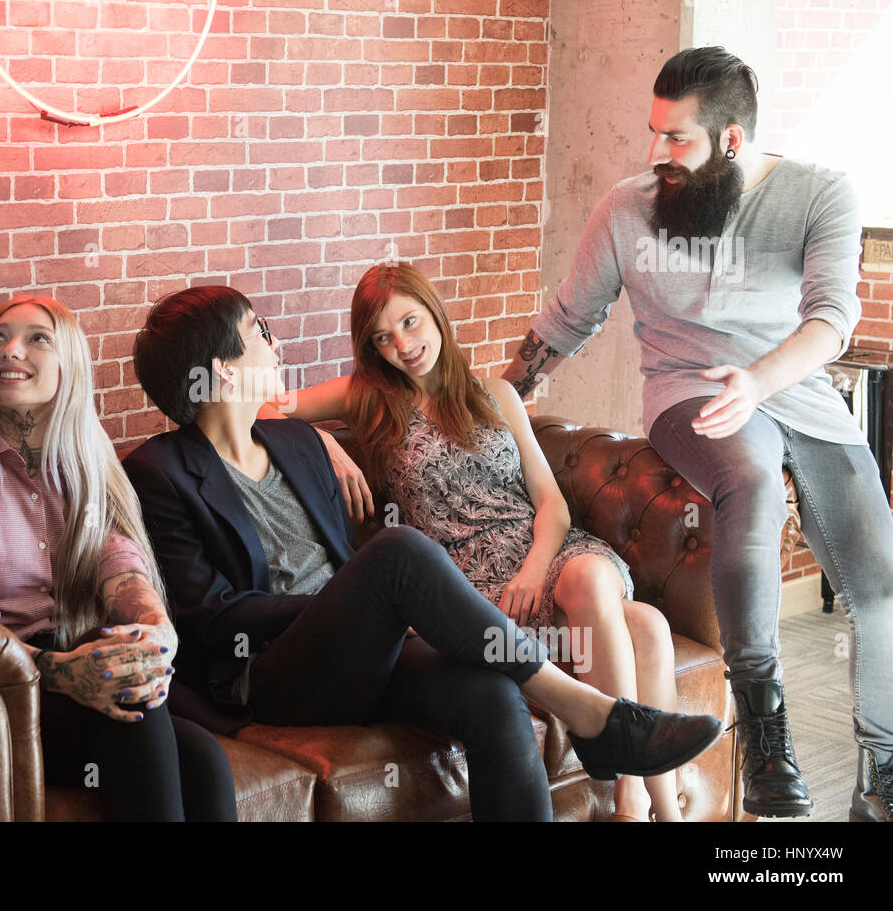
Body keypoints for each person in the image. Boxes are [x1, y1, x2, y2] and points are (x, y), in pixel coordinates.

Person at [123, 284, 723, 821]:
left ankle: (594, 733)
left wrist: (324, 448)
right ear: (224, 372)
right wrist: (348, 601)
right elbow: (210, 616)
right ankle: (587, 711)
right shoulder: (160, 472)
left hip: (364, 655)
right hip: (274, 673)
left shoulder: (296, 442)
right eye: (259, 332)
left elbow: (291, 421)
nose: (274, 345)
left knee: (492, 697)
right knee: (397, 549)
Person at [500, 46, 893, 821]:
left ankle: (881, 768)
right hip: (688, 390)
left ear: (734, 140)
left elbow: (832, 321)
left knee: (880, 582)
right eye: (654, 133)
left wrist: (761, 380)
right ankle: (765, 727)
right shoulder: (627, 208)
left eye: (676, 139)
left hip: (794, 386)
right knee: (748, 480)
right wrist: (493, 397)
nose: (657, 156)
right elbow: (566, 320)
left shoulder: (820, 194)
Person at [266, 261, 686, 821]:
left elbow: (551, 504)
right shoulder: (367, 399)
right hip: (472, 588)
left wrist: (536, 568)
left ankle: (634, 800)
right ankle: (652, 803)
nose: (404, 345)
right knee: (650, 627)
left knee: (591, 580)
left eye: (411, 323)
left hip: (546, 556)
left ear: (435, 314)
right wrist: (325, 444)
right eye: (384, 338)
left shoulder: (495, 395)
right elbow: (266, 408)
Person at [0, 295, 236, 821]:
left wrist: (154, 629)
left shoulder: (86, 458)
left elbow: (118, 563)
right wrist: (66, 672)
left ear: (71, 366)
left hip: (87, 659)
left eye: (38, 338)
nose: (10, 350)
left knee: (207, 762)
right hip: (0, 691)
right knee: (134, 712)